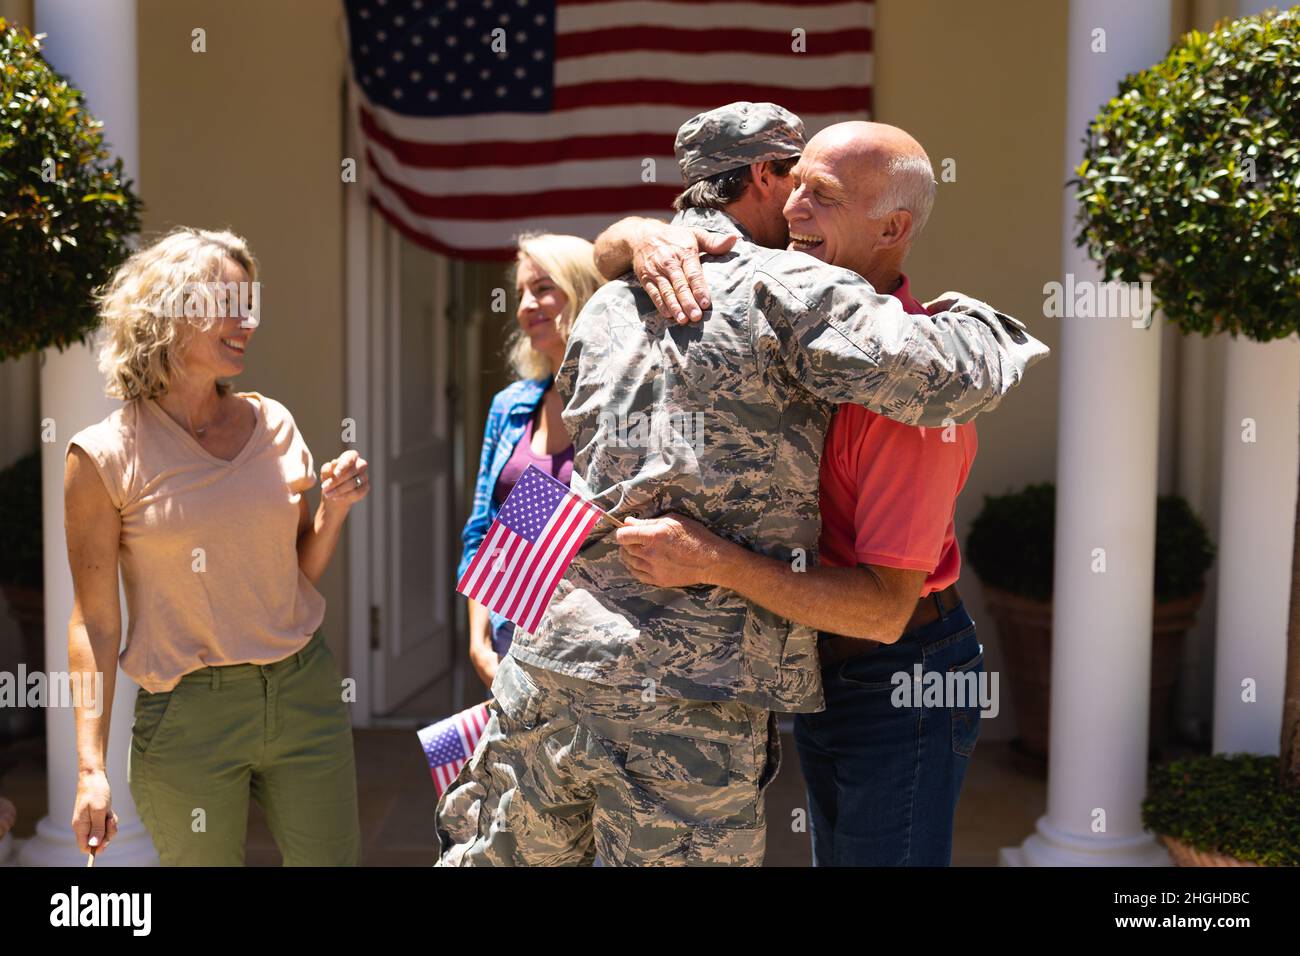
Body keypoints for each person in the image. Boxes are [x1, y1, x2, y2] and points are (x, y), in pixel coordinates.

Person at [435, 102, 1048, 867]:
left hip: (551, 664)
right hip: (687, 693)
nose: (798, 207)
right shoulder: (787, 289)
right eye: (797, 179)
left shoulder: (605, 305)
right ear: (764, 175)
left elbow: (557, 473)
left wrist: (501, 628)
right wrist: (983, 323)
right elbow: (943, 374)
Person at [616, 121, 984, 865]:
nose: (792, 210)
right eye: (794, 186)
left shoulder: (908, 394)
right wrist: (643, 239)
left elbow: (883, 610)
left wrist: (710, 560)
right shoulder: (790, 319)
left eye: (824, 196)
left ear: (893, 228)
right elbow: (596, 261)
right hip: (827, 661)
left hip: (897, 675)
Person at [65, 227, 369, 865]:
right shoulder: (103, 456)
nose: (247, 321)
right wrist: (91, 767)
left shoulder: (273, 423)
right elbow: (93, 620)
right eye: (228, 303)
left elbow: (297, 573)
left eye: (250, 305)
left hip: (302, 690)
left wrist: (333, 511)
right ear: (172, 312)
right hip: (187, 718)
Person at [458, 233, 606, 689]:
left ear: (583, 290)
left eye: (543, 288)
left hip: (597, 649)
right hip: (512, 639)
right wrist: (478, 641)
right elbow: (485, 527)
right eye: (521, 293)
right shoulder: (511, 405)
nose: (525, 305)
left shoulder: (623, 404)